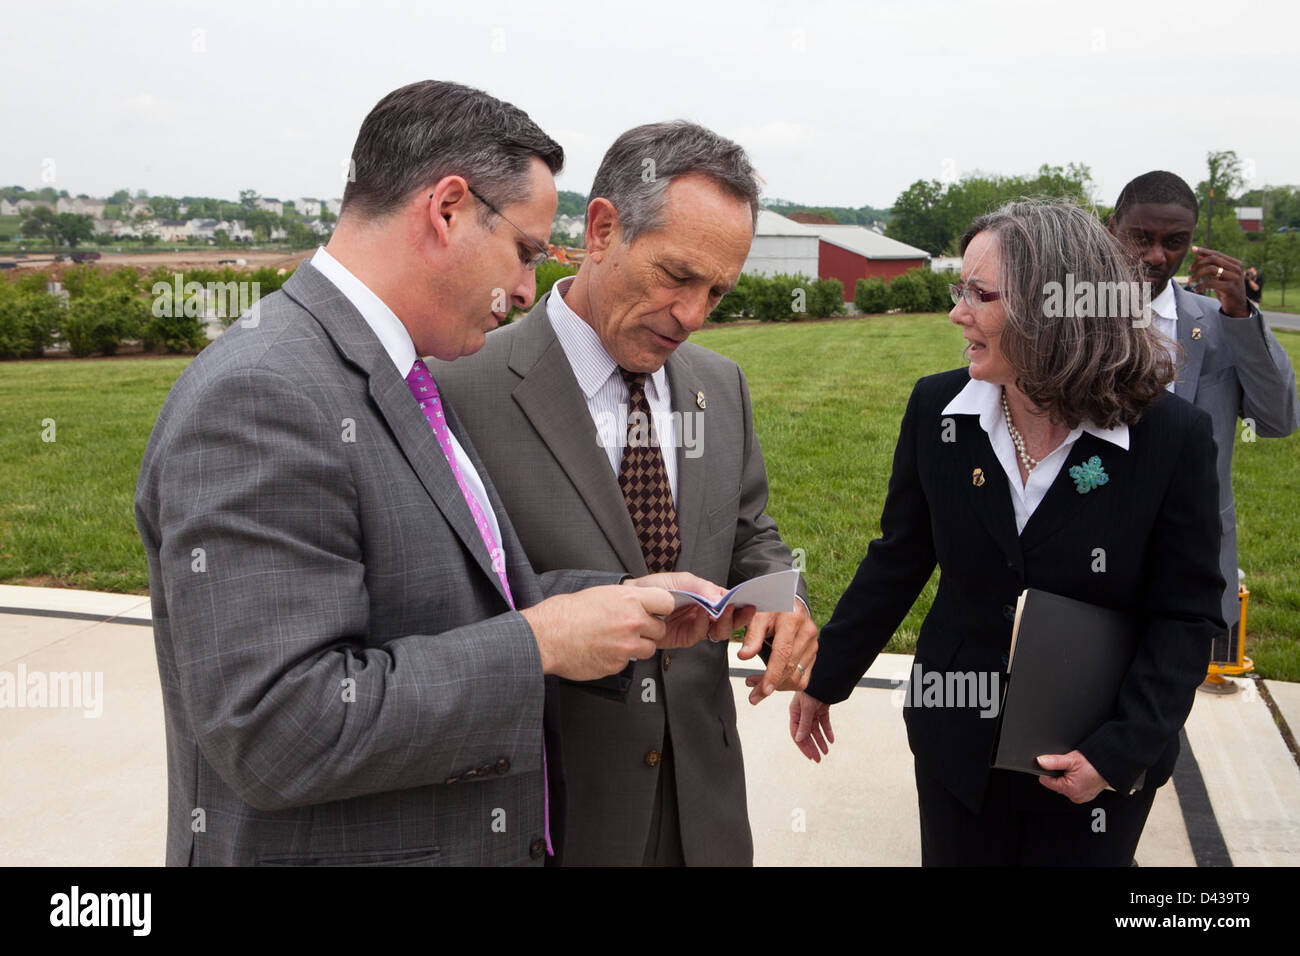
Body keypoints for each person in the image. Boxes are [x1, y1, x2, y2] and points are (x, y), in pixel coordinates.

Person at [134, 81, 726, 867]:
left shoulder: (394, 374)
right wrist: (537, 642)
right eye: (523, 250)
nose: (525, 290)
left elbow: (443, 603)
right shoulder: (262, 394)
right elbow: (279, 728)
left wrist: (610, 604)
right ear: (447, 209)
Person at [790, 201, 1226, 865]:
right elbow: (899, 558)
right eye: (958, 289)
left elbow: (1187, 615)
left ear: (1057, 310)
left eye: (980, 294)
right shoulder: (937, 410)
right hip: (956, 745)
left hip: (1095, 763)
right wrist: (828, 675)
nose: (956, 312)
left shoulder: (1172, 440)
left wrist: (1118, 753)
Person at [434, 121, 817, 866]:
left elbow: (749, 532)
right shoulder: (460, 387)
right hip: (553, 813)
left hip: (702, 809)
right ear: (603, 229)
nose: (694, 315)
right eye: (678, 276)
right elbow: (441, 606)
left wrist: (781, 596)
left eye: (718, 291)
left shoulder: (720, 385)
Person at [1108, 171, 1298, 641]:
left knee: (1169, 698)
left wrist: (1240, 316)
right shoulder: (1073, 319)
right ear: (1113, 228)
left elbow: (1274, 421)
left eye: (1174, 242)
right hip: (1092, 551)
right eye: (1141, 238)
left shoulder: (1221, 323)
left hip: (1189, 559)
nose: (1156, 256)